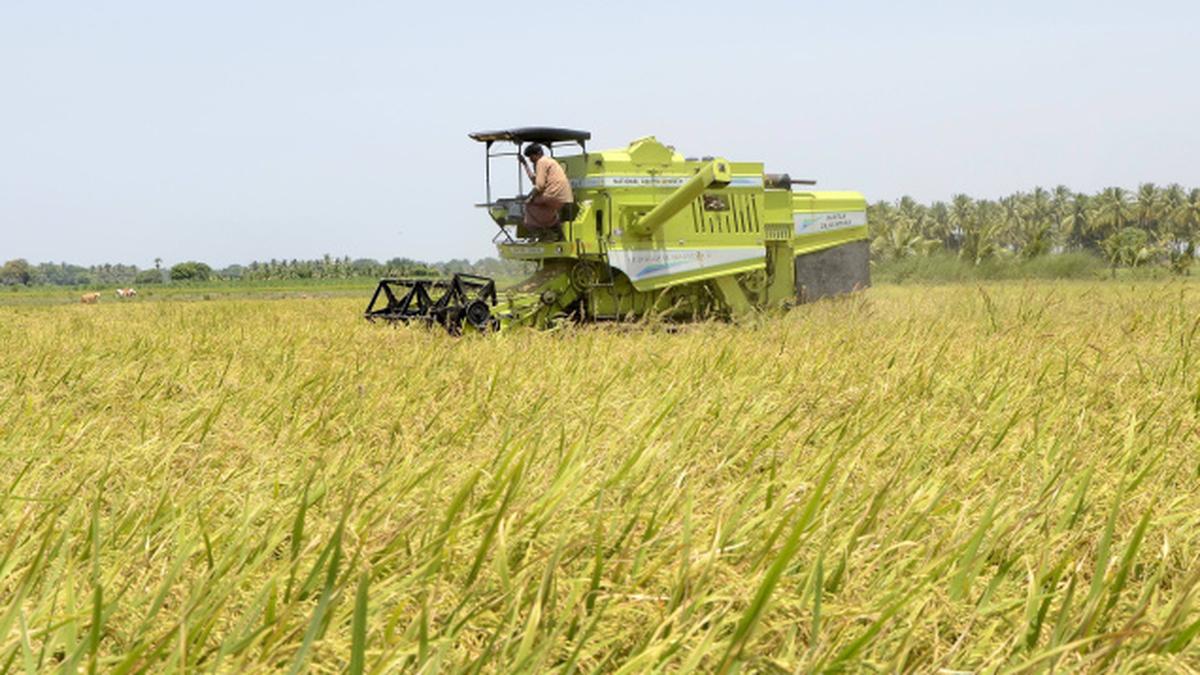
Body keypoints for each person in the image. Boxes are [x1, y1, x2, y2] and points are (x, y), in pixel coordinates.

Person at [518, 144, 573, 236]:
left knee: (528, 205)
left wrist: (530, 197)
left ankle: (542, 231)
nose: (531, 160)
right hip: (563, 196)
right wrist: (525, 165)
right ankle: (552, 228)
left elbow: (539, 185)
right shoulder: (549, 162)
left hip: (553, 195)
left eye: (532, 157)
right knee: (540, 206)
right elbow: (535, 180)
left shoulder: (541, 162)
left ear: (538, 154)